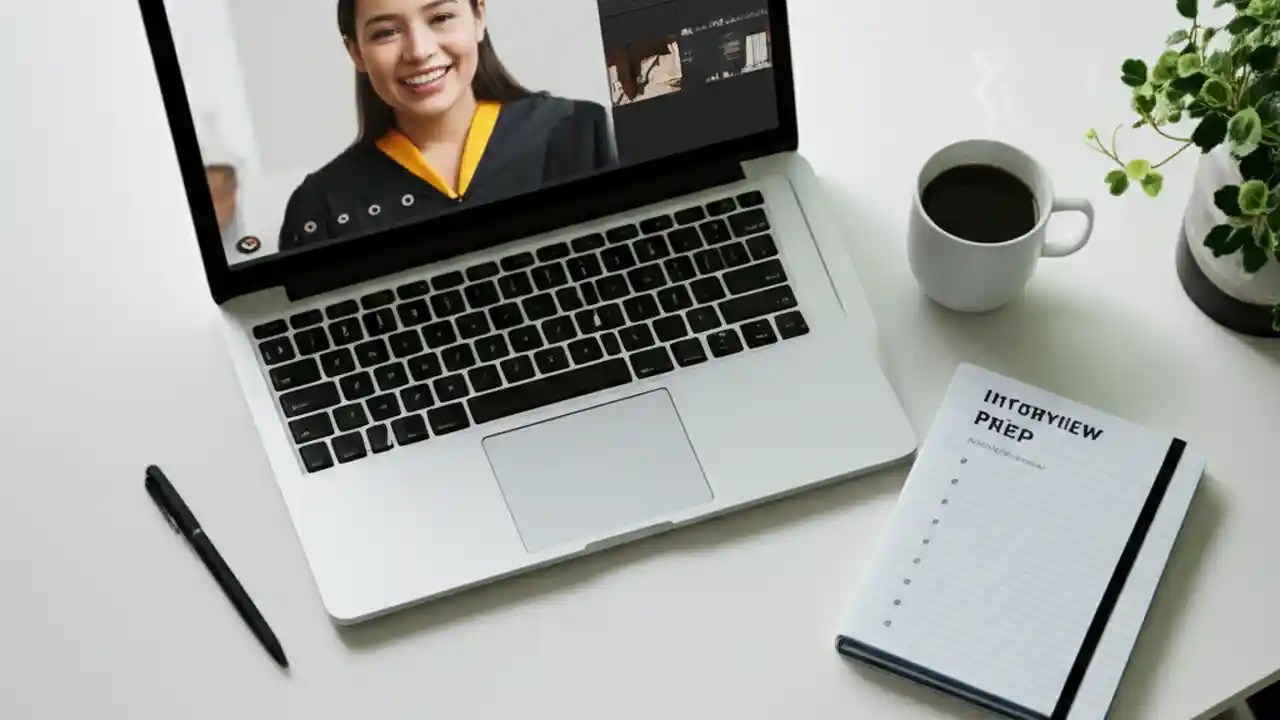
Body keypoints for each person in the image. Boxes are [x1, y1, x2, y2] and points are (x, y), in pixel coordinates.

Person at [279, 0, 618, 251]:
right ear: (356, 52)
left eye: (440, 18)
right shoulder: (321, 207)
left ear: (478, 16)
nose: (419, 51)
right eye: (386, 33)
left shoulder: (581, 132)